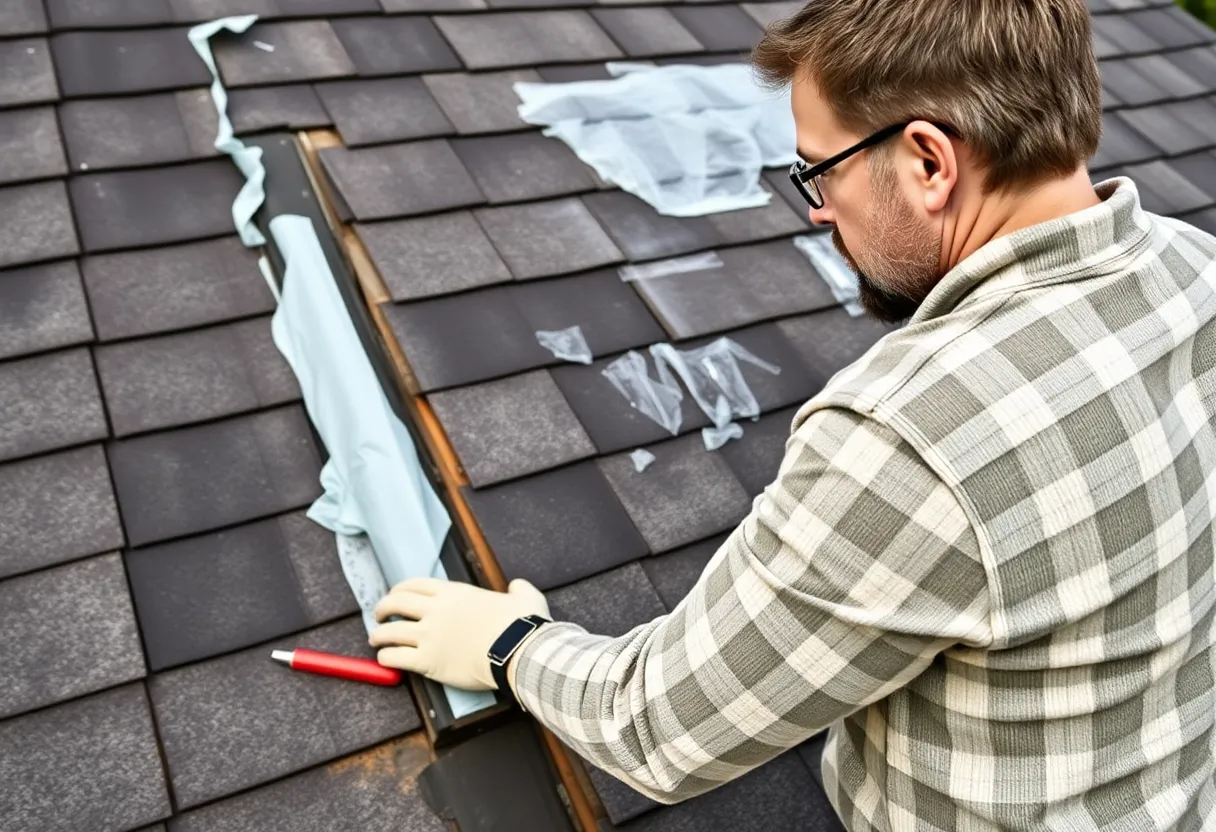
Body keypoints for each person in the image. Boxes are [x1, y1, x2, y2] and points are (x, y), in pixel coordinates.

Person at [368, 1, 1216, 828]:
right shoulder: (1195, 270)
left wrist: (511, 645)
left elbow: (660, 728)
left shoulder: (910, 438)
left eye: (822, 169)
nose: (816, 209)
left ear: (929, 162)